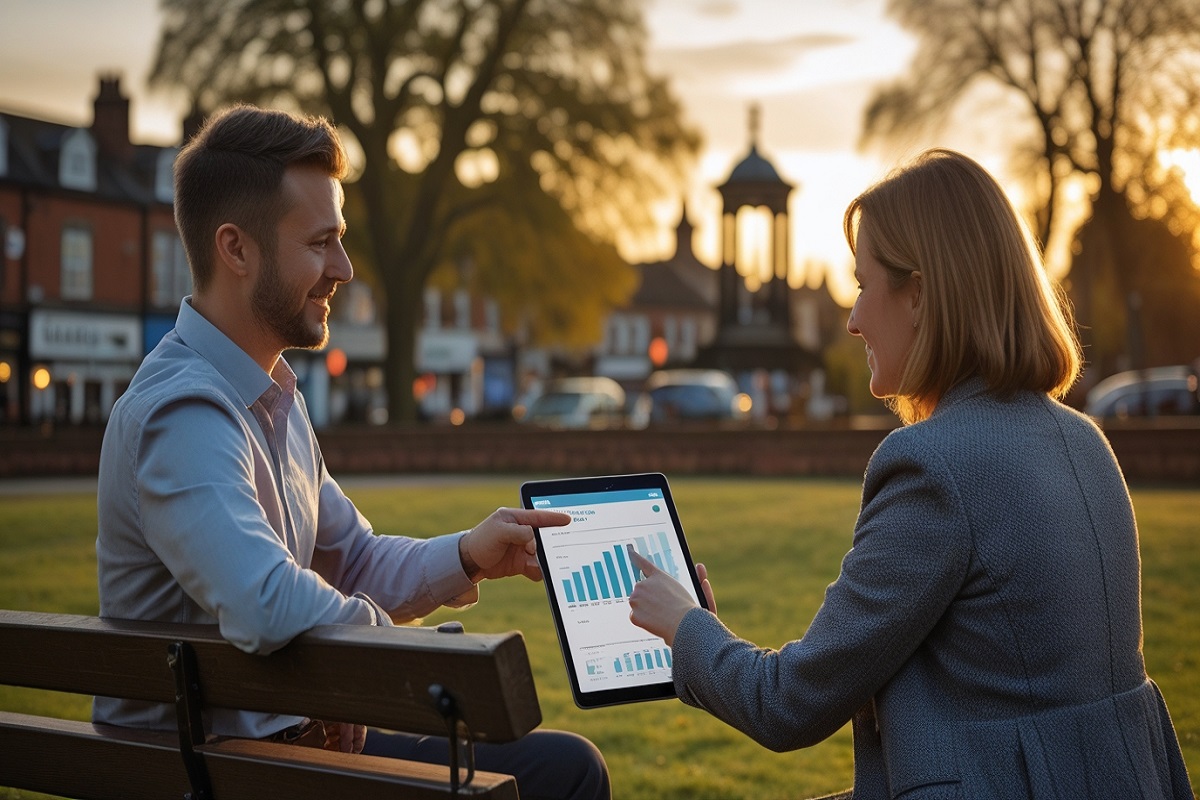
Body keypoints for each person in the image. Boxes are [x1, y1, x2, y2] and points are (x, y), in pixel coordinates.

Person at [627, 149, 1193, 799]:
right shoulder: (1085, 441)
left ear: (918, 294)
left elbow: (791, 704)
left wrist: (684, 625)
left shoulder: (933, 466)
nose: (853, 318)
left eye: (864, 285)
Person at [94, 104, 609, 800]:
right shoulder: (184, 412)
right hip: (220, 779)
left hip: (278, 761)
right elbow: (267, 601)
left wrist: (467, 553)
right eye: (320, 242)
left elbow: (356, 560)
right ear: (236, 249)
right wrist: (382, 659)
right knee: (562, 778)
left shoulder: (271, 396)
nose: (344, 267)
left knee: (563, 767)